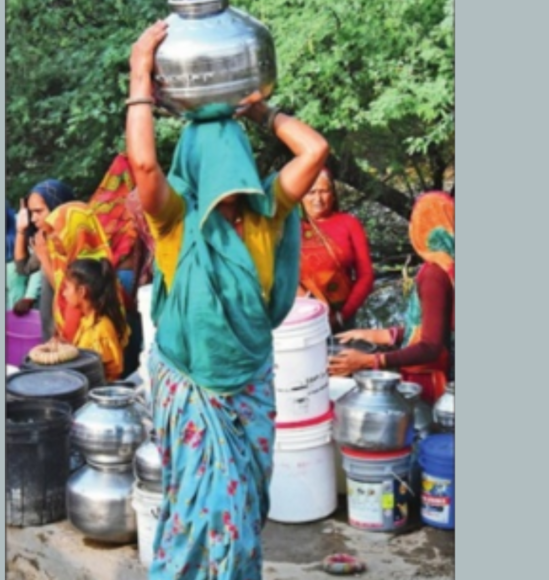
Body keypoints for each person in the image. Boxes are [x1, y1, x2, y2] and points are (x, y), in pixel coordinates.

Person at [126, 21, 329, 580]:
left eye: (233, 166)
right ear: (195, 170)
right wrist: (140, 75)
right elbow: (143, 165)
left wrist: (261, 113)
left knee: (239, 517)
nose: (229, 183)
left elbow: (316, 149)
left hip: (247, 389)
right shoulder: (177, 222)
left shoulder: (270, 209)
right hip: (192, 388)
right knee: (199, 517)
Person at [328, 191, 454, 403]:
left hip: (431, 385)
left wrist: (370, 361)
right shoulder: (450, 264)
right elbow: (435, 327)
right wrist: (378, 334)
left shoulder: (434, 273)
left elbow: (431, 346)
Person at [87, 153, 150, 377]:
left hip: (103, 277)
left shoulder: (98, 206)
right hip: (124, 277)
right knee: (130, 326)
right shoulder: (140, 204)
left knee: (115, 328)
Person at [298, 168, 375, 331]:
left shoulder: (349, 224)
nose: (318, 199)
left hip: (343, 318)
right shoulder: (290, 229)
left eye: (323, 191)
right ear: (301, 196)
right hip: (302, 318)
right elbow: (280, 275)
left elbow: (366, 275)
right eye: (311, 192)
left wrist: (342, 315)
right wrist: (308, 306)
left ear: (332, 194)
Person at [36, 200, 115, 343]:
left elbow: (71, 312)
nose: (53, 238)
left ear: (75, 230)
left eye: (58, 230)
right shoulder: (68, 258)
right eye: (51, 231)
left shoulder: (87, 270)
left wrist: (43, 258)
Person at [14, 179, 76, 340]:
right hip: (51, 324)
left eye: (39, 211)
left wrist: (43, 256)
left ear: (57, 207)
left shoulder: (75, 240)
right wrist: (21, 231)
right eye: (31, 212)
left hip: (70, 326)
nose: (33, 219)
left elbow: (67, 291)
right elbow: (23, 269)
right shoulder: (46, 238)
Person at [63, 258, 130, 382]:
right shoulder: (87, 320)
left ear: (82, 291)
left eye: (67, 287)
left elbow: (98, 375)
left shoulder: (100, 330)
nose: (64, 293)